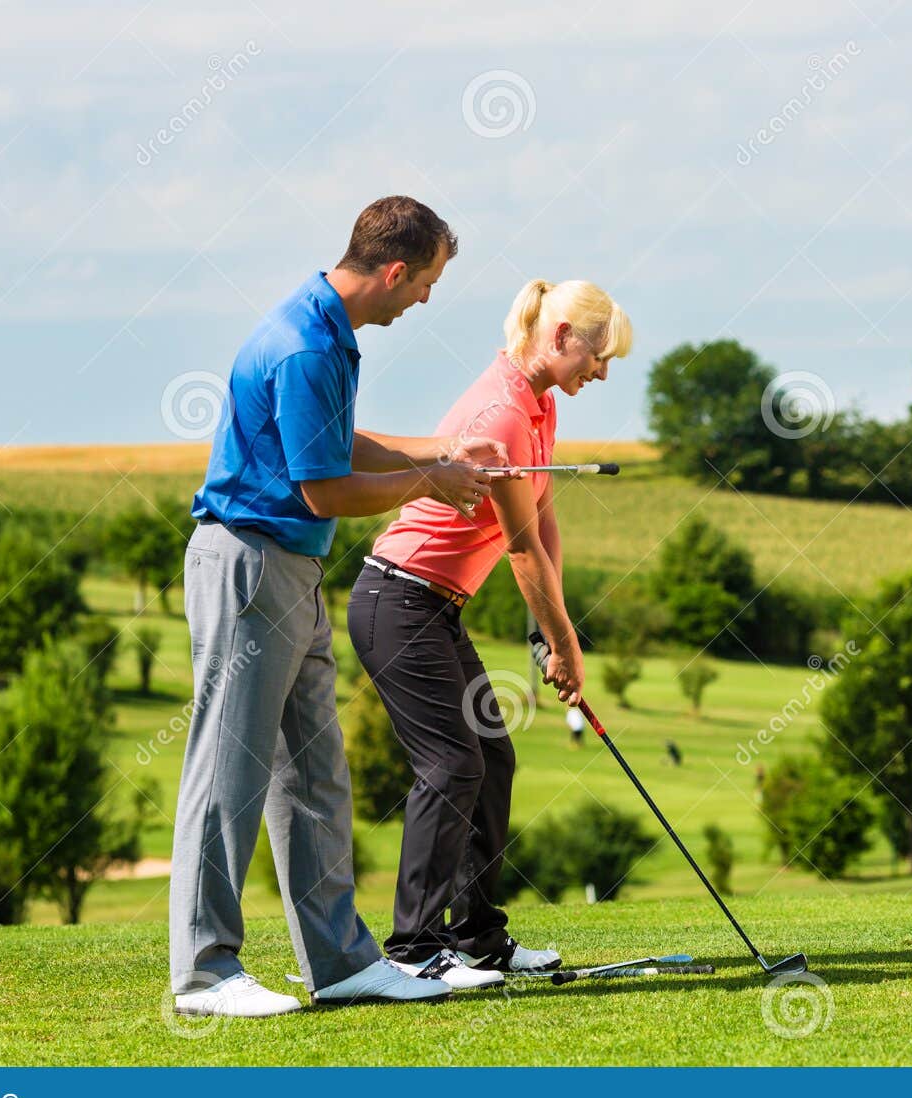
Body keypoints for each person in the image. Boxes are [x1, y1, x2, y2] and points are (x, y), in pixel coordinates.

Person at [169, 196, 512, 1018]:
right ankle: (207, 971)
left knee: (315, 774)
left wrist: (437, 448)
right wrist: (431, 481)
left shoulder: (325, 330)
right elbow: (322, 488)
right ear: (395, 271)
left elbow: (334, 442)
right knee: (229, 771)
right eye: (426, 282)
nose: (424, 298)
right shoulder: (305, 344)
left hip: (292, 572)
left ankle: (340, 961)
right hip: (250, 566)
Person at [349, 279, 632, 989]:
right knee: (452, 763)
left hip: (434, 607)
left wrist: (550, 630)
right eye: (597, 356)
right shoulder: (505, 411)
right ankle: (413, 947)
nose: (600, 372)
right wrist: (565, 645)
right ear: (562, 333)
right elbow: (519, 547)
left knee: (491, 756)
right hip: (397, 599)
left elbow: (545, 519)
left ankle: (475, 936)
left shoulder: (535, 405)